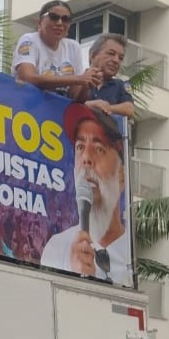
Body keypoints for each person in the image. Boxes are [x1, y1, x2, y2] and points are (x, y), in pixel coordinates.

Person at [40, 104, 132, 286]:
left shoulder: (133, 255)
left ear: (121, 176)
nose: (86, 158)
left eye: (99, 149)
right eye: (80, 147)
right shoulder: (57, 247)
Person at [12, 0, 99, 99]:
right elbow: (27, 78)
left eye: (65, 19)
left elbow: (75, 97)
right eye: (54, 17)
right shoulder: (29, 40)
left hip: (59, 111)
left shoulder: (73, 47)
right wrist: (78, 79)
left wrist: (87, 84)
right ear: (40, 22)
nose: (59, 23)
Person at [85, 34, 135, 119]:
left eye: (120, 58)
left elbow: (129, 109)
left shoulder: (121, 85)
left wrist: (107, 108)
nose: (116, 60)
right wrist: (90, 105)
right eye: (111, 54)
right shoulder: (78, 80)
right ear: (93, 55)